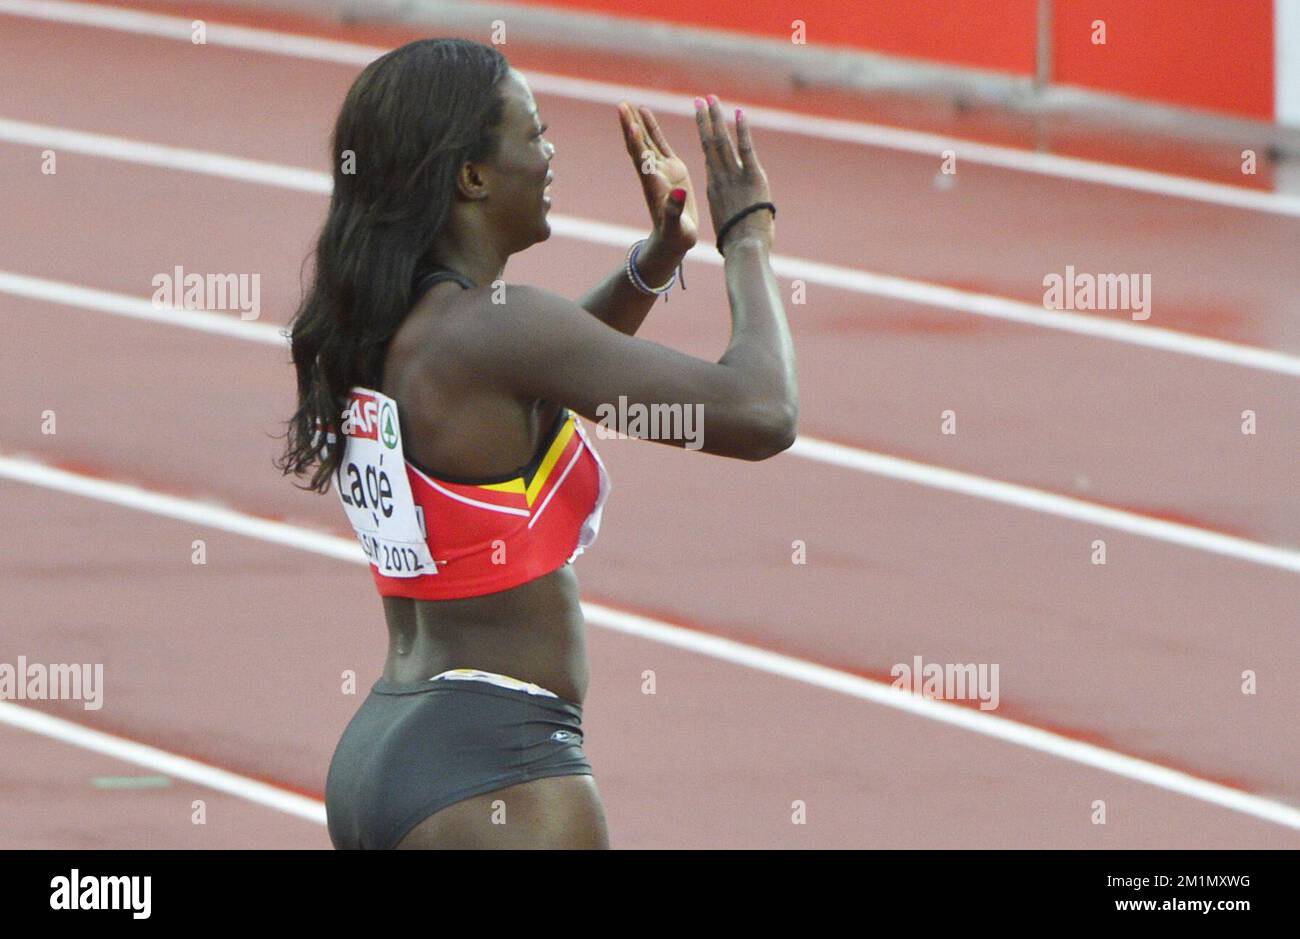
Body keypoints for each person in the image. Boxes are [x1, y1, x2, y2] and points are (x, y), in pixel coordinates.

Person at [277, 37, 797, 849]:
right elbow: (763, 411)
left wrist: (658, 259)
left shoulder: (388, 331)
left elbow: (547, 374)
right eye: (536, 134)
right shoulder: (497, 327)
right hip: (500, 765)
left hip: (388, 752)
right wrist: (748, 235)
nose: (550, 155)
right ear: (472, 176)